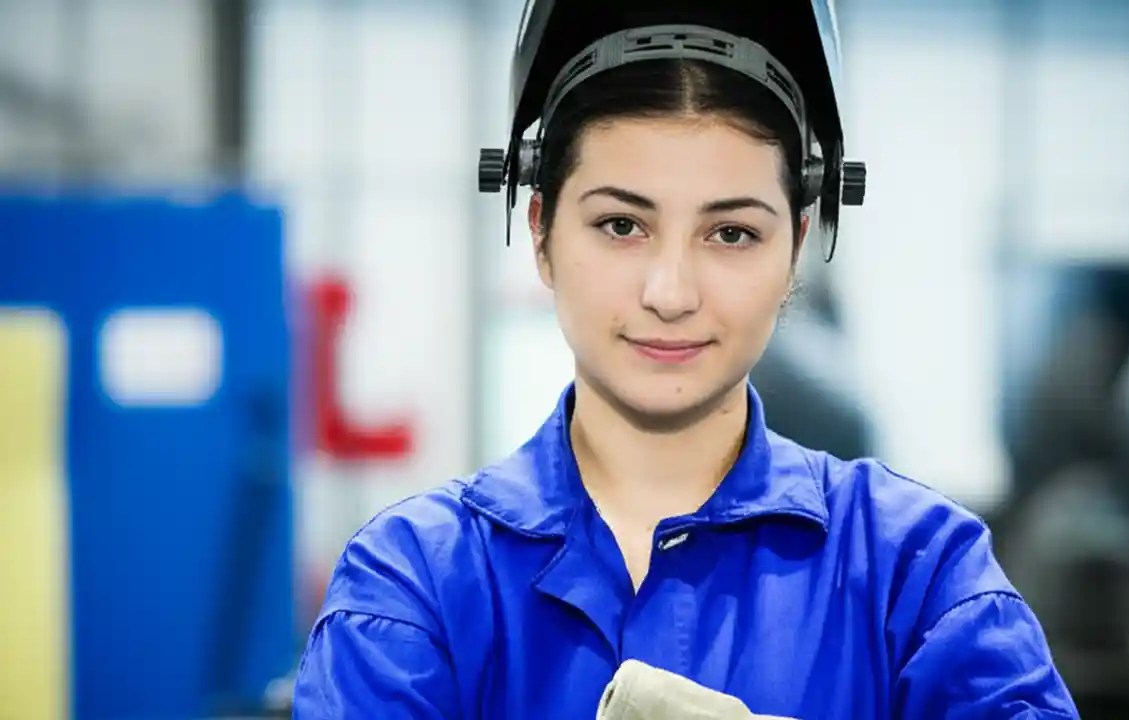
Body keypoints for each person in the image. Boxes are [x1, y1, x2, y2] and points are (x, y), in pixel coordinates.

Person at [292, 2, 1079, 717]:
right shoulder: (416, 585)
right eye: (620, 226)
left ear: (796, 246)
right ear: (540, 233)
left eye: (731, 233)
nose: (670, 292)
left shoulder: (917, 576)